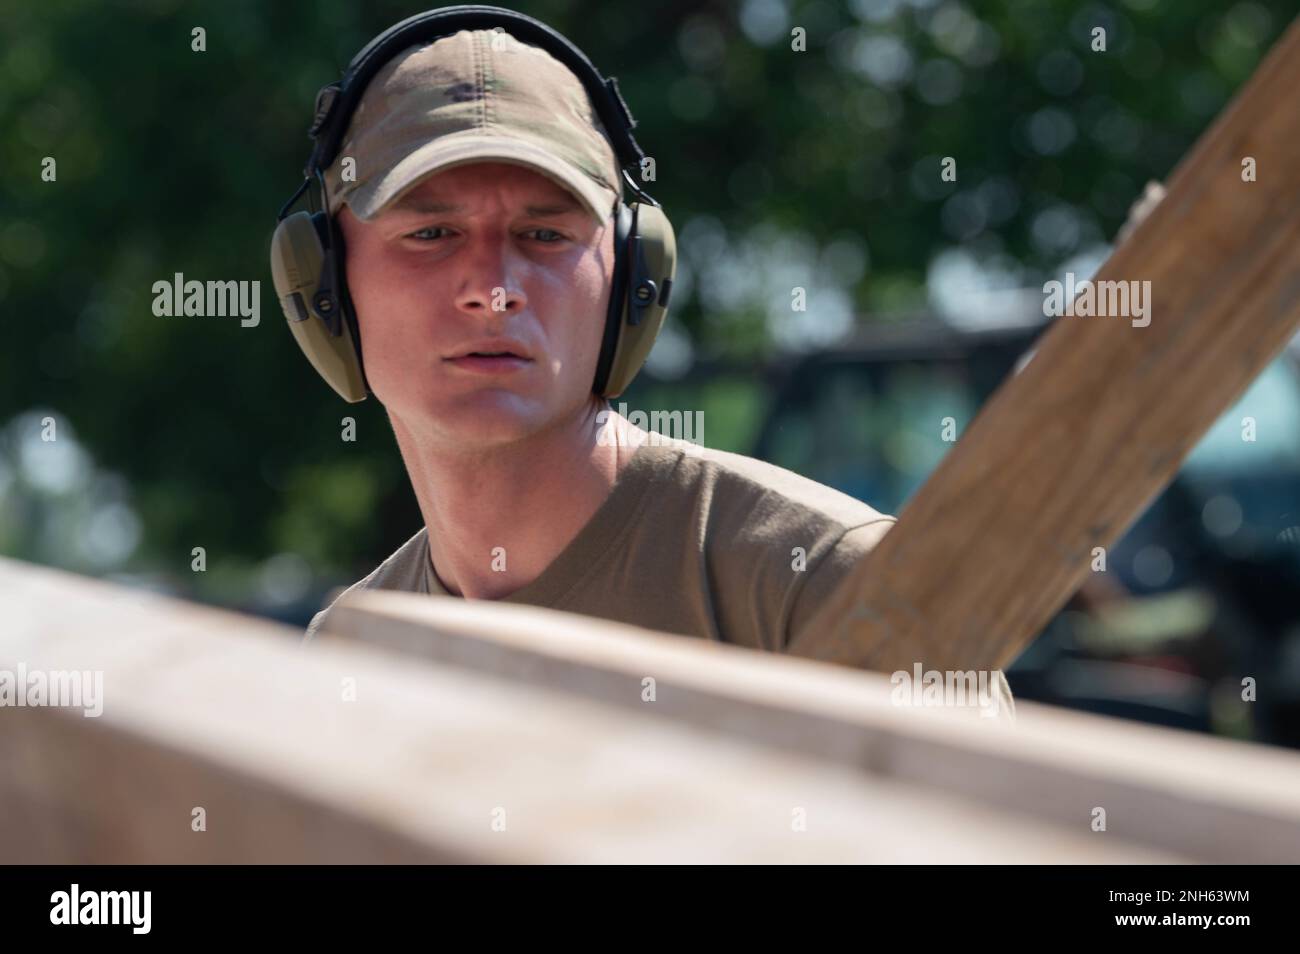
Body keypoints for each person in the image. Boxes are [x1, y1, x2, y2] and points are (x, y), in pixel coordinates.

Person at [284, 13, 1012, 716]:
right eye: (431, 232)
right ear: (324, 287)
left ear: (633, 279)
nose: (494, 290)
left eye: (544, 233)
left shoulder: (831, 588)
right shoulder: (350, 656)